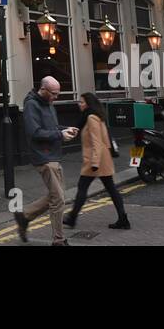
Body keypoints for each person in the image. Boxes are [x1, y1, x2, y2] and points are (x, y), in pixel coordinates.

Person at [12, 75, 77, 246]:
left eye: (58, 94)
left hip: (54, 155)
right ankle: (58, 240)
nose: (56, 97)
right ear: (43, 90)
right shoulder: (31, 105)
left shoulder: (48, 103)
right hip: (44, 157)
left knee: (57, 196)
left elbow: (52, 128)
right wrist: (60, 135)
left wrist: (65, 129)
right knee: (58, 199)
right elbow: (35, 133)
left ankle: (25, 216)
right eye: (54, 94)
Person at [64, 92, 130, 230]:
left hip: (96, 160)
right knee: (111, 189)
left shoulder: (92, 117)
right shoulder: (95, 115)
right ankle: (123, 219)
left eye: (82, 102)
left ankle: (72, 218)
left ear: (88, 104)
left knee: (82, 187)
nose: (79, 104)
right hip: (101, 158)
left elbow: (96, 141)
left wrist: (94, 163)